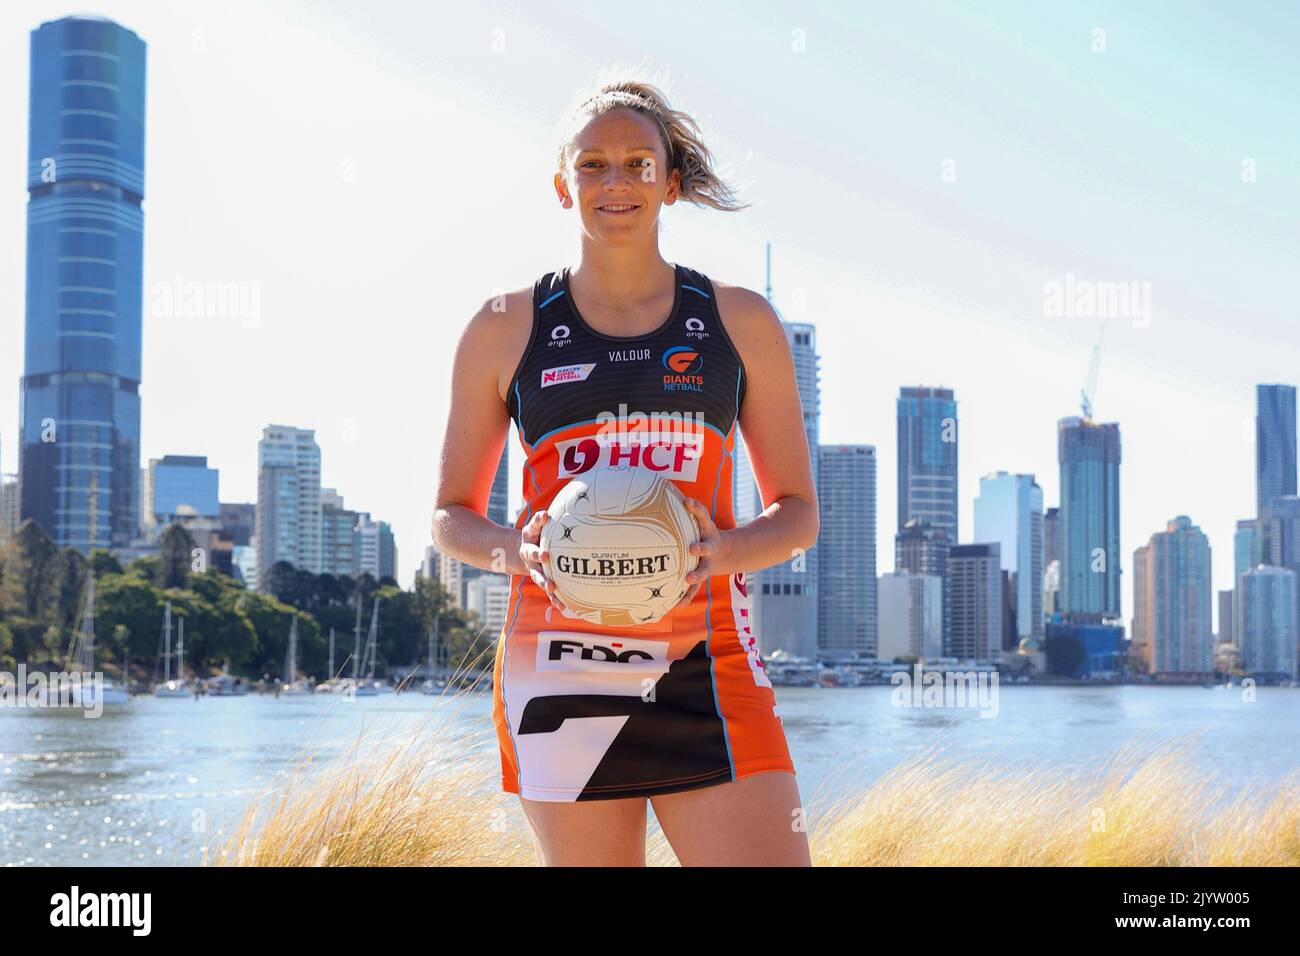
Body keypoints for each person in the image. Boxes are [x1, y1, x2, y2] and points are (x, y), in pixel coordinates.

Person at [432, 78, 818, 866]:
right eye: (593, 164)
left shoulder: (737, 321)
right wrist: (520, 549)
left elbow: (797, 510)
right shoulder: (503, 330)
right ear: (561, 184)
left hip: (708, 667)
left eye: (639, 164)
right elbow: (449, 515)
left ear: (670, 181)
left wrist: (727, 552)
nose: (616, 182)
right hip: (561, 673)